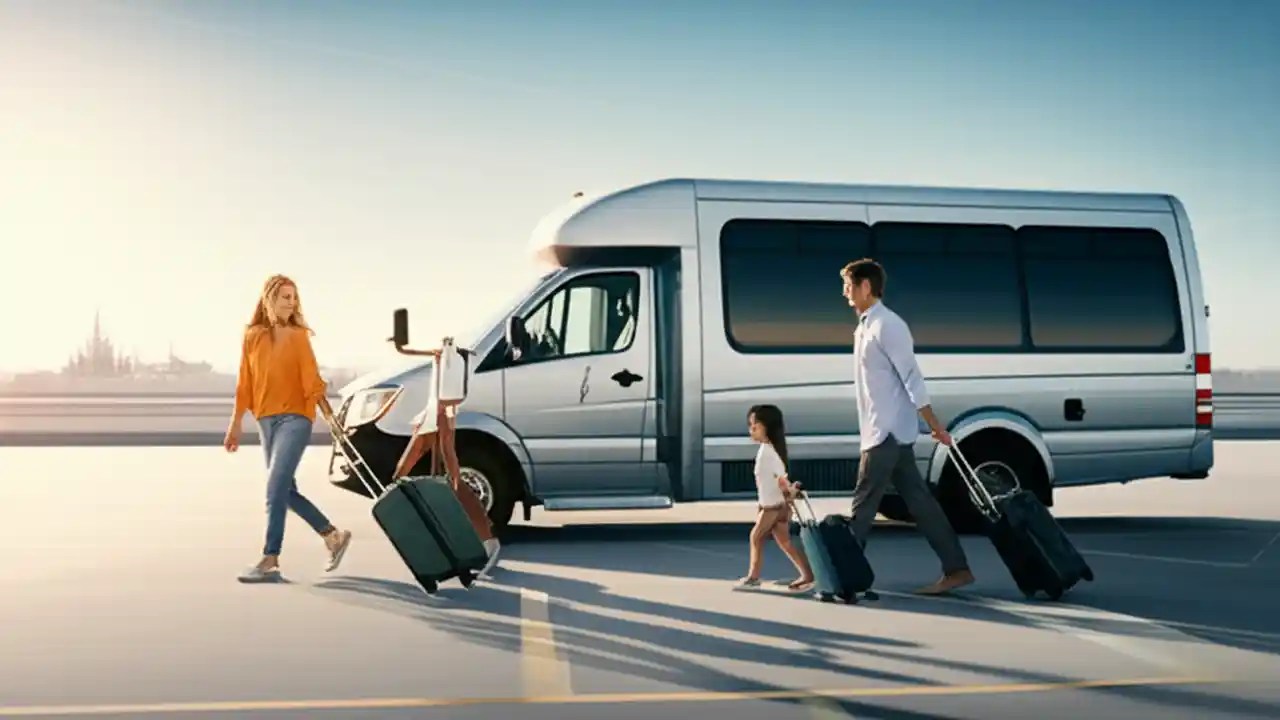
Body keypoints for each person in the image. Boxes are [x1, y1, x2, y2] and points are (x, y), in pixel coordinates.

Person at [841, 258, 975, 595]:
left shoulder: (888, 325)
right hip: (887, 431)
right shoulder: (865, 326)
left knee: (863, 505)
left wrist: (934, 424)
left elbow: (912, 377)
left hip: (885, 432)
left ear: (866, 287)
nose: (844, 292)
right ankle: (957, 568)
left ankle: (841, 575)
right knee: (921, 504)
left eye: (848, 285)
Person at [224, 274, 352, 583]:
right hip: (265, 420)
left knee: (274, 488)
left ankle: (270, 557)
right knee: (284, 490)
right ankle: (332, 536)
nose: (291, 303)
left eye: (294, 298)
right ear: (269, 298)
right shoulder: (252, 336)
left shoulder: (298, 336)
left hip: (296, 419)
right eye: (285, 297)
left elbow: (311, 380)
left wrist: (329, 417)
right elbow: (245, 382)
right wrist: (235, 424)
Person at [390, 338, 501, 578]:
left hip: (438, 413)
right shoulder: (445, 363)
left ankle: (485, 540)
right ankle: (477, 540)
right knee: (438, 474)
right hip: (435, 411)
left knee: (452, 479)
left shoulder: (446, 391)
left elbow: (434, 447)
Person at [734, 404, 815, 592]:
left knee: (756, 537)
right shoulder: (769, 450)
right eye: (750, 425)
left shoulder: (768, 453)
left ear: (767, 427)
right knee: (784, 542)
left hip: (773, 506)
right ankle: (808, 575)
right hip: (775, 505)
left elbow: (780, 479)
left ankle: (753, 578)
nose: (751, 430)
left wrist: (788, 491)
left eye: (755, 426)